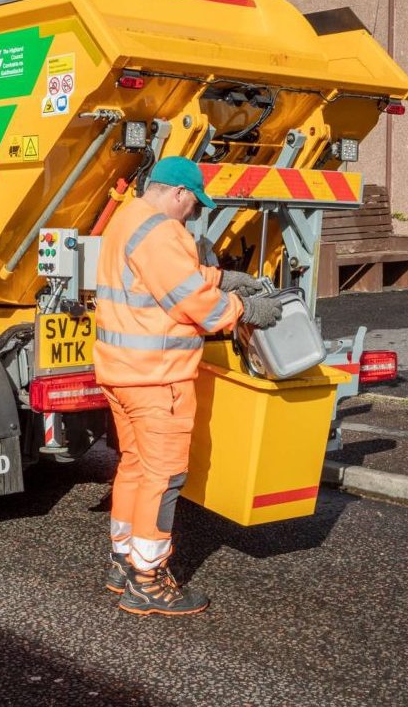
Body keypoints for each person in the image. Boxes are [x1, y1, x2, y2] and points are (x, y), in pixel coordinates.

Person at [93, 156, 283, 616]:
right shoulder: (161, 230)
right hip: (160, 379)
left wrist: (223, 278)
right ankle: (149, 582)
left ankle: (123, 561)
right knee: (165, 477)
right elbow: (194, 303)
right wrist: (244, 309)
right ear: (178, 193)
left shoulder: (127, 219)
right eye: (193, 205)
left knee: (136, 468)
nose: (192, 214)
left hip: (123, 373)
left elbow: (166, 279)